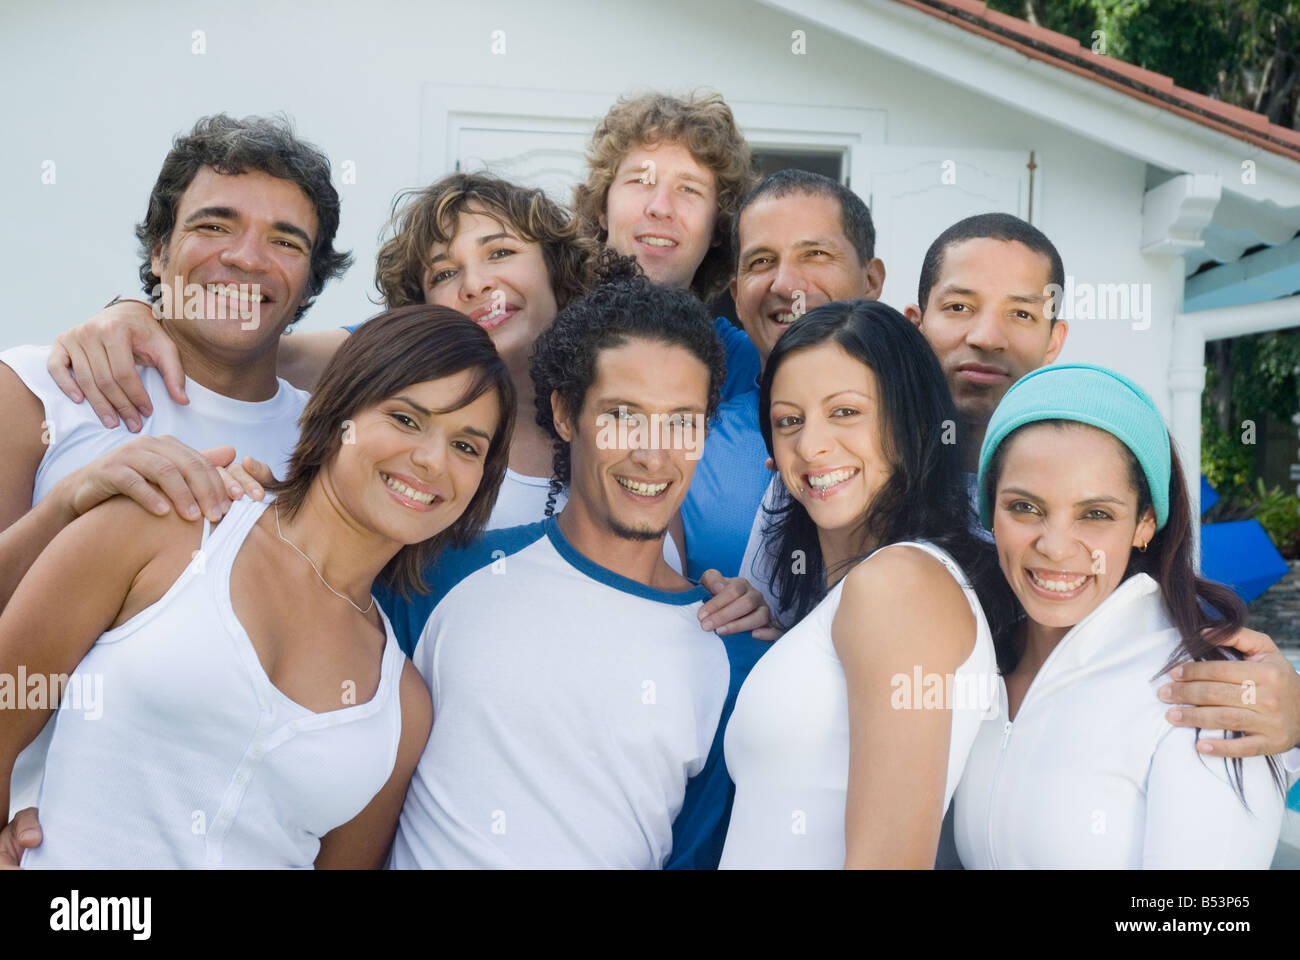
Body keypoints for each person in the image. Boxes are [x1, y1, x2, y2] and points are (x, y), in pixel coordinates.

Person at [2, 306, 515, 867]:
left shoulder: (401, 708)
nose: (430, 460)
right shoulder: (163, 526)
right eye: (406, 419)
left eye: (467, 446)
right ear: (340, 410)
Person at [0, 113, 352, 817]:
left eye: (285, 241)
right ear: (159, 251)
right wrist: (67, 507)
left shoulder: (328, 446)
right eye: (214, 225)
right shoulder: (39, 387)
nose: (247, 258)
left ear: (310, 283)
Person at [384, 263, 768, 868]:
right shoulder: (439, 572)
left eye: (681, 422)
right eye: (623, 415)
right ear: (565, 414)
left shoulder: (737, 655)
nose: (651, 454)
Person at [901, 212, 1300, 765]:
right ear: (915, 323)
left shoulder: (1110, 465)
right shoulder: (857, 474)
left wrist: (1293, 706)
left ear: (1053, 339)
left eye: (1021, 312)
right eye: (960, 306)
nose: (986, 336)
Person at [719, 300, 1016, 868]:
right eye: (789, 421)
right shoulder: (854, 594)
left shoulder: (900, 584)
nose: (812, 445)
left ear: (910, 427)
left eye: (846, 412)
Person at [954, 363, 1285, 868]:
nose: (1056, 547)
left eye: (1096, 514)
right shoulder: (970, 662)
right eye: (1024, 507)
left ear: (1144, 524)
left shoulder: (1210, 695)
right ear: (989, 511)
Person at [685, 169, 885, 582]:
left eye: (815, 254)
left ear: (871, 280)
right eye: (762, 261)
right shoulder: (689, 444)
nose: (787, 284)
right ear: (737, 297)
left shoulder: (919, 428)